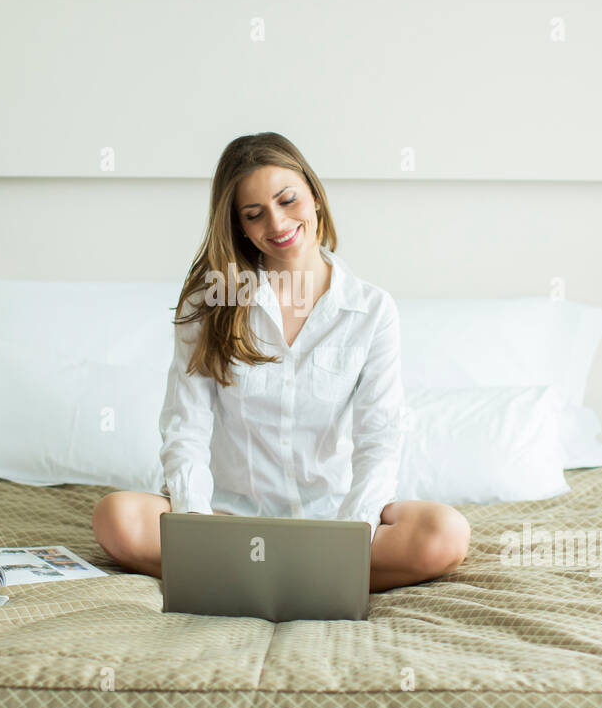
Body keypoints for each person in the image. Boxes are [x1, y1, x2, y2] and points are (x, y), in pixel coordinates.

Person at [93, 132, 470, 592]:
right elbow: (184, 426)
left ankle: (249, 580)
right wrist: (196, 523)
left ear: (313, 195)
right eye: (254, 214)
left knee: (445, 534)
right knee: (115, 517)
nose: (277, 222)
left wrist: (352, 534)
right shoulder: (210, 301)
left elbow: (380, 436)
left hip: (332, 519)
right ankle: (308, 583)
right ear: (240, 228)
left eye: (287, 200)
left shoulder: (371, 310)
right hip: (229, 520)